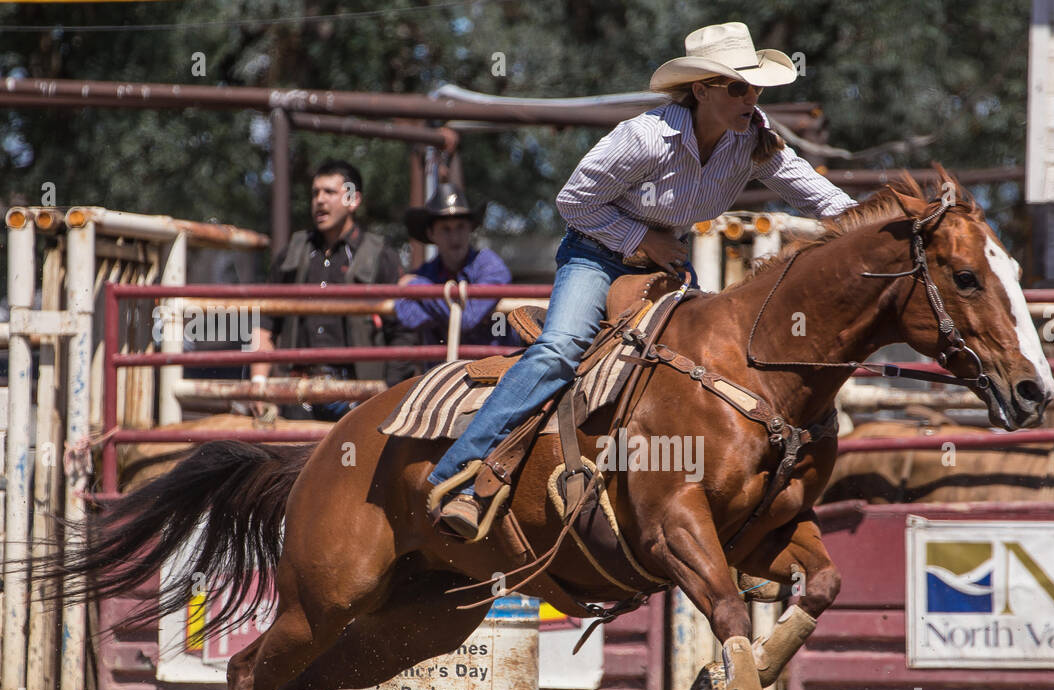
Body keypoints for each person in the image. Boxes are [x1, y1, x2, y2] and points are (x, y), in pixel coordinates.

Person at [430, 22, 858, 538]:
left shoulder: (754, 139)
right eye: (738, 86)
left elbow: (817, 194)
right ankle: (456, 475)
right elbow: (573, 203)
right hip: (597, 255)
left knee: (714, 366)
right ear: (701, 90)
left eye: (755, 86)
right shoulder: (644, 138)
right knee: (560, 349)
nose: (752, 97)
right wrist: (641, 240)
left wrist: (880, 228)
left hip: (667, 262)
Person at [248, 158, 414, 420]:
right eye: (315, 193)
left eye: (330, 192)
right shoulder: (293, 252)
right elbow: (266, 322)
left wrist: (385, 396)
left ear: (353, 199)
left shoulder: (380, 255)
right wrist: (258, 384)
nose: (320, 200)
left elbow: (403, 331)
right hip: (296, 395)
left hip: (358, 397)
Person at [394, 183, 518, 363]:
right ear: (431, 233)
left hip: (491, 375)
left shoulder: (491, 266)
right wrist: (451, 315)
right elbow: (407, 314)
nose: (455, 237)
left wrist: (418, 289)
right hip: (442, 375)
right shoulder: (426, 272)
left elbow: (467, 318)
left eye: (460, 227)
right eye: (446, 229)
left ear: (470, 229)